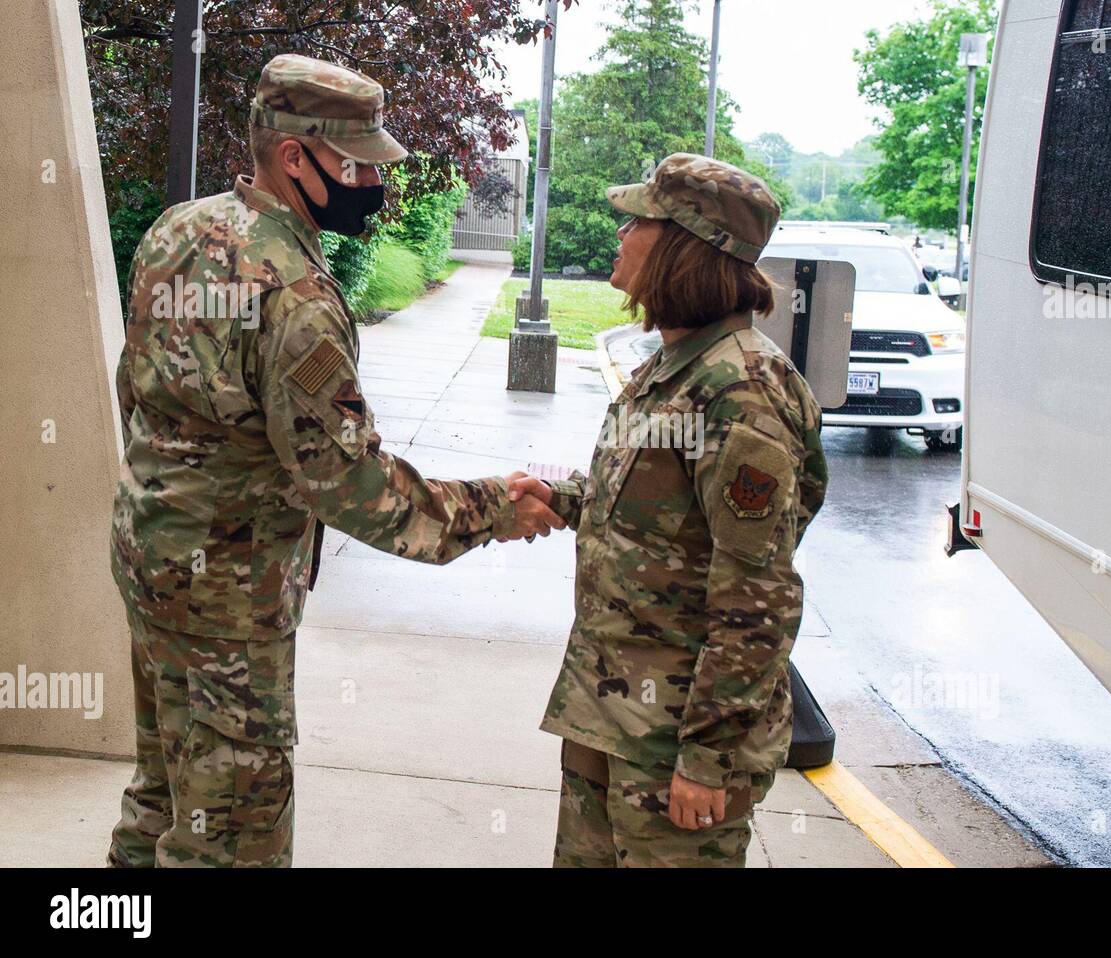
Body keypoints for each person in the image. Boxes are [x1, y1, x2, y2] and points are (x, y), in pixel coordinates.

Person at [106, 53, 563, 868]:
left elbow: (134, 393)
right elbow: (352, 487)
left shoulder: (174, 232)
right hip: (229, 606)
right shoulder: (295, 297)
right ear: (294, 157)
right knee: (231, 837)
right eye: (356, 165)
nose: (373, 184)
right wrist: (497, 506)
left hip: (151, 565)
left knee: (163, 796)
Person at [511, 153, 829, 867]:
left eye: (639, 221)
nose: (620, 233)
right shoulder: (671, 365)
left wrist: (709, 760)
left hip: (674, 741)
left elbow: (758, 595)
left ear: (686, 246)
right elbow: (659, 510)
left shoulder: (741, 390)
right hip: (610, 715)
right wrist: (558, 498)